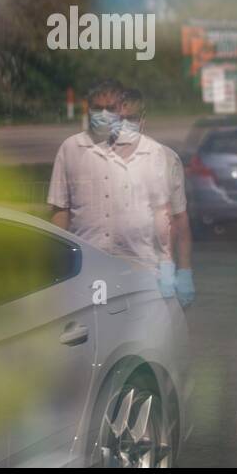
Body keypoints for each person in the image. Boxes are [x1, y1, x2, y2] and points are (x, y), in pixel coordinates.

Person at [47, 81, 194, 307]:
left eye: (130, 117)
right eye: (98, 108)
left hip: (144, 273)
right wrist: (56, 266)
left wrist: (180, 271)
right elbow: (61, 211)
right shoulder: (72, 150)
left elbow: (175, 218)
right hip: (87, 272)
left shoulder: (162, 156)